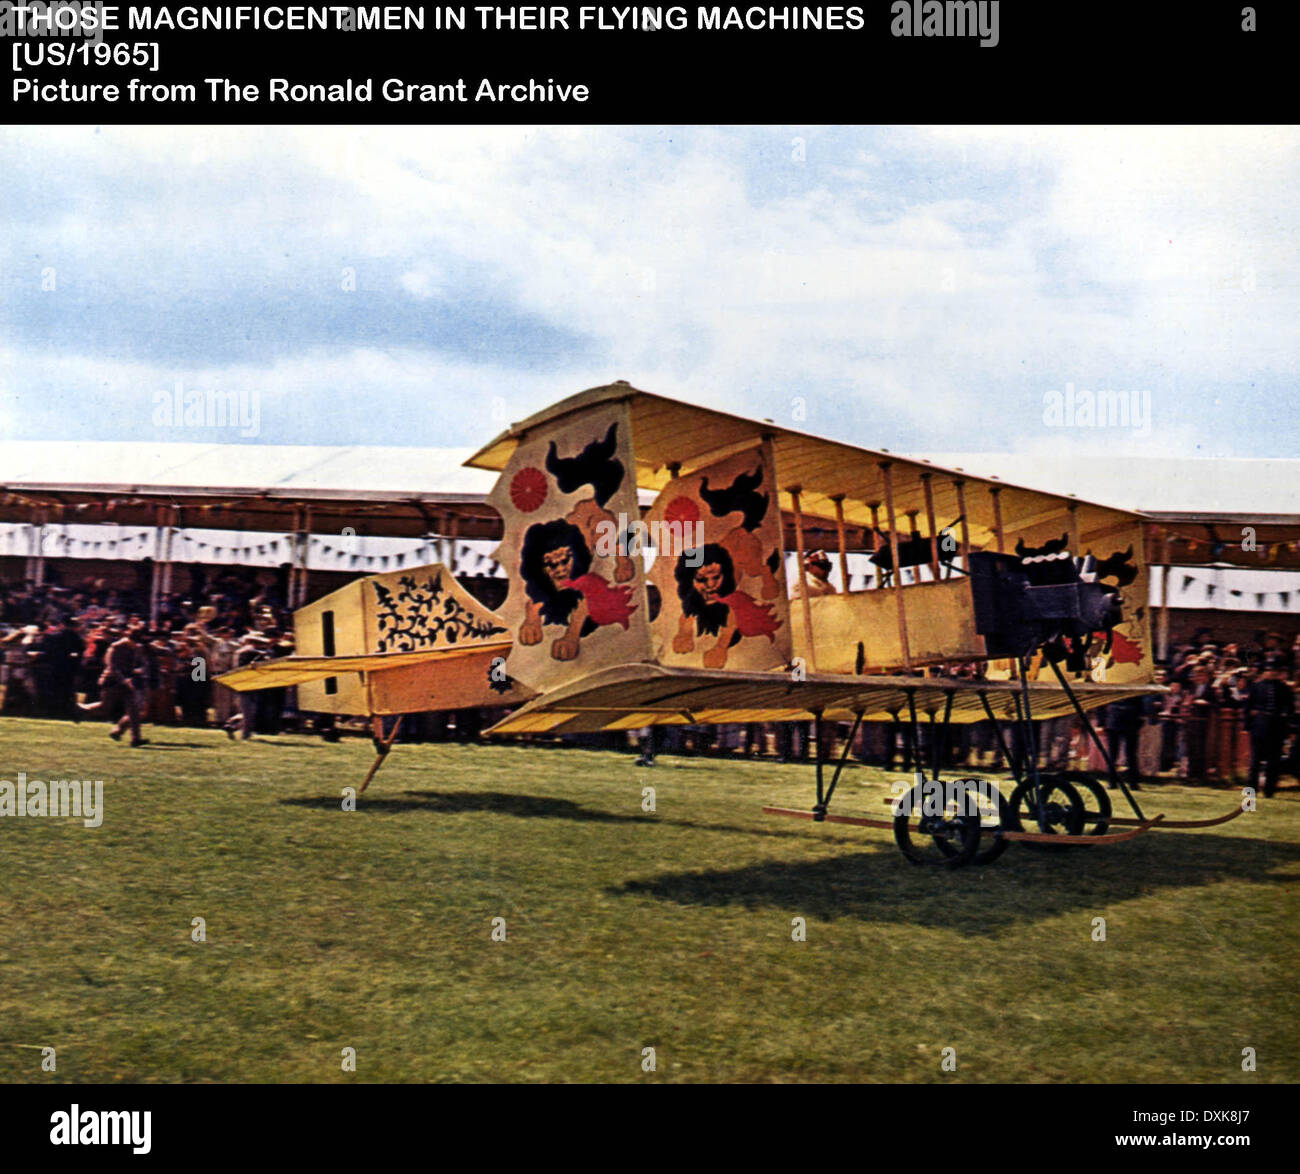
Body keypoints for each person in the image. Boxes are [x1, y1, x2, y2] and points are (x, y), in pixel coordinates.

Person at [77, 626, 150, 746]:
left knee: (134, 710)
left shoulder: (137, 648)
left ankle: (134, 738)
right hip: (112, 681)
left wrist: (139, 670)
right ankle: (80, 709)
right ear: (128, 639)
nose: (136, 646)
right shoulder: (116, 647)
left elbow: (140, 663)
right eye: (134, 643)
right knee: (105, 707)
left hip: (128, 681)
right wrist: (124, 680)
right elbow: (112, 667)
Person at [1244, 656, 1295, 798]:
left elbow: (1290, 710)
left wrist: (1289, 728)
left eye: (1274, 670)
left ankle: (1269, 790)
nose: (1271, 672)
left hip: (1277, 727)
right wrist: (1248, 726)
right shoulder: (1256, 687)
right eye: (1268, 670)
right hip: (1259, 726)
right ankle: (1251, 791)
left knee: (1274, 761)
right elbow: (1248, 708)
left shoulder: (1285, 689)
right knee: (1255, 761)